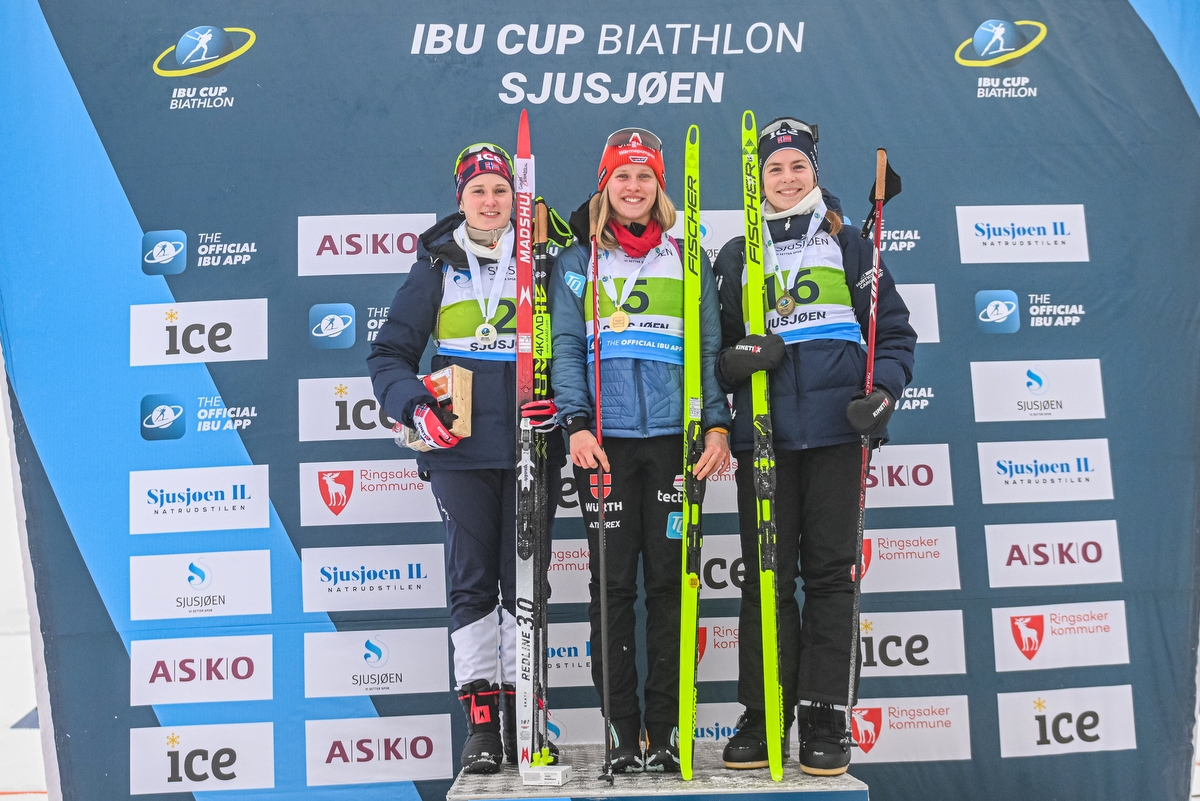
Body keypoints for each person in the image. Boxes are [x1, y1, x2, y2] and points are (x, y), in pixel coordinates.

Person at [712, 118, 916, 775]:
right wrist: (744, 356)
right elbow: (714, 358)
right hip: (764, 439)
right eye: (775, 168)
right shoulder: (737, 254)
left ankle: (826, 712)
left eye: (798, 166)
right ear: (758, 178)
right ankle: (763, 711)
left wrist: (881, 393)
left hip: (836, 435)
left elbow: (895, 334)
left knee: (830, 575)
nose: (787, 177)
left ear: (814, 173)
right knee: (765, 580)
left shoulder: (851, 245)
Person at [367, 143, 569, 774]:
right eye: (478, 191)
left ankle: (528, 719)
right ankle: (483, 725)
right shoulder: (436, 264)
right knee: (473, 583)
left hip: (532, 447)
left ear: (518, 199)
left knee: (527, 587)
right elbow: (388, 356)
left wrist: (561, 403)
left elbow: (575, 347)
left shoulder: (545, 260)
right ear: (460, 199)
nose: (489, 201)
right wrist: (415, 409)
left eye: (500, 191)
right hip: (459, 452)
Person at [550, 128, 732, 773]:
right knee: (612, 591)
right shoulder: (575, 264)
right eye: (622, 177)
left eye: (645, 177)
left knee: (672, 588)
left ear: (660, 188)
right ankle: (623, 734)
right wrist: (575, 423)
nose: (633, 188)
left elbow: (709, 347)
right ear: (605, 185)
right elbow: (566, 349)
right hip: (605, 449)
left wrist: (716, 426)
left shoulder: (688, 258)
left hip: (676, 448)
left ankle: (669, 726)